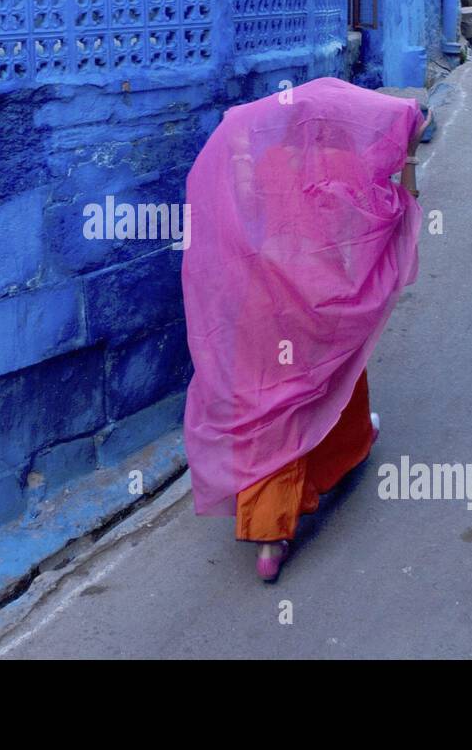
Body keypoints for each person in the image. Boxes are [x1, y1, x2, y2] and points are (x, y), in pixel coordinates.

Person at [181, 77, 428, 582]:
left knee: (267, 402)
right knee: (324, 383)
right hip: (320, 299)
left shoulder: (261, 160)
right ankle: (273, 533)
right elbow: (395, 210)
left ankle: (291, 506)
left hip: (259, 300)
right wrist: (408, 152)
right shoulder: (345, 167)